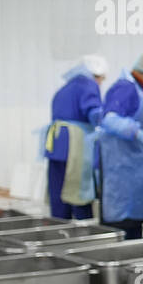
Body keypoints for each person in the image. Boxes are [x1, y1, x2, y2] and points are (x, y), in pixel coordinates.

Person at [99, 51, 143, 240]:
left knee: (133, 224)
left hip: (134, 167)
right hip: (121, 166)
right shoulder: (125, 88)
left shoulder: (139, 91)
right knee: (120, 225)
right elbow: (110, 120)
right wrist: (138, 133)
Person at [44, 54, 107, 220]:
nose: (101, 83)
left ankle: (58, 228)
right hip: (75, 146)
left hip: (56, 146)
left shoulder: (64, 89)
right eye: (101, 79)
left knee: (59, 191)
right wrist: (110, 123)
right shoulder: (88, 85)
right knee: (79, 190)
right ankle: (83, 233)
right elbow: (94, 113)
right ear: (96, 75)